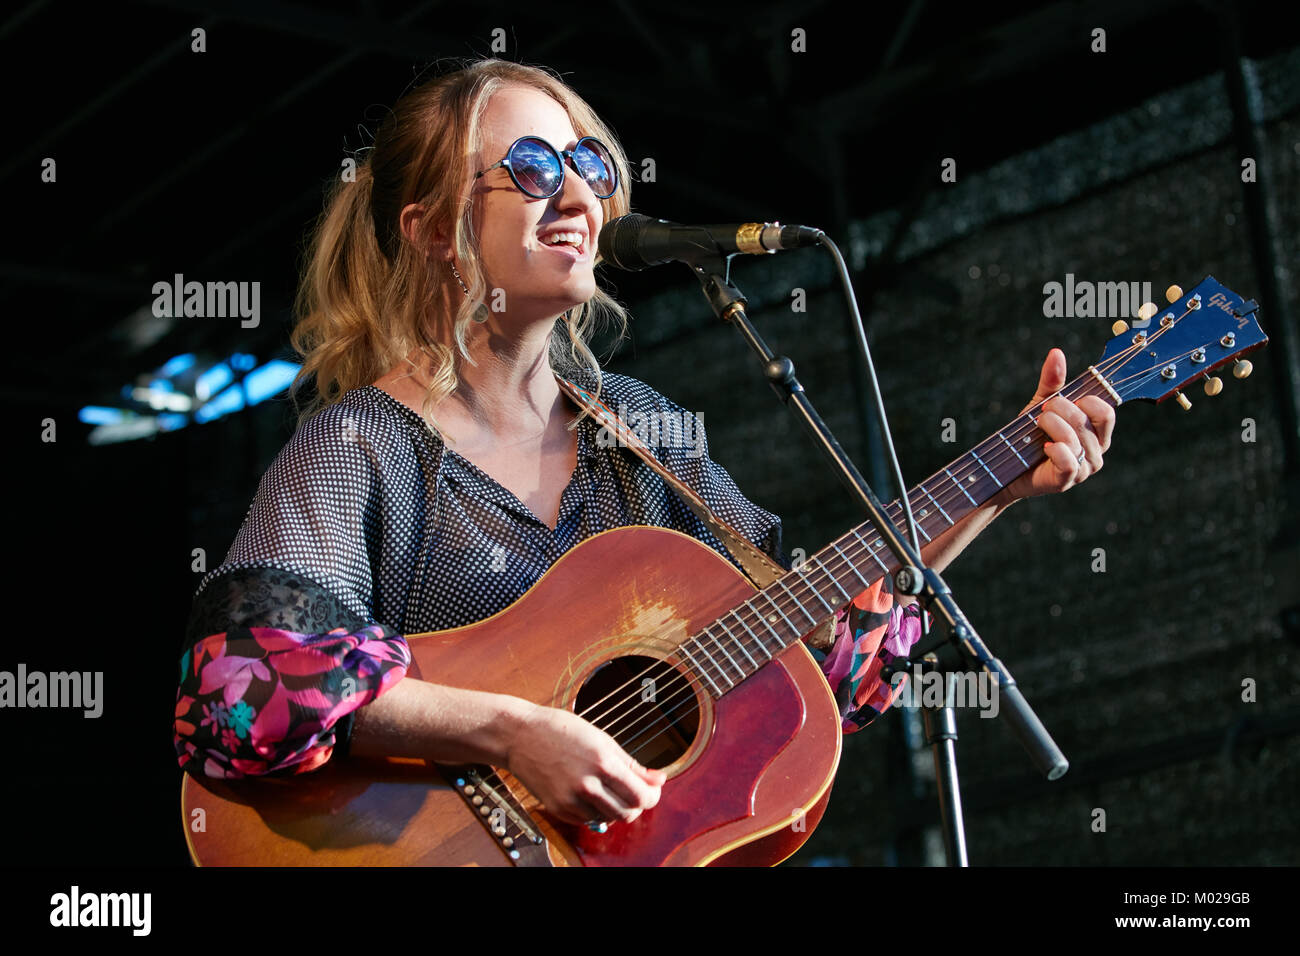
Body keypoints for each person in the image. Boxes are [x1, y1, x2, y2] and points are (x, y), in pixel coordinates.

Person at [173, 58, 1114, 834]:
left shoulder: (637, 427)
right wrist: (508, 732)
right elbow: (242, 681)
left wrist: (997, 488)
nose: (579, 192)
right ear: (429, 232)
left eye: (587, 161)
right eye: (534, 166)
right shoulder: (365, 445)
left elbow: (808, 660)